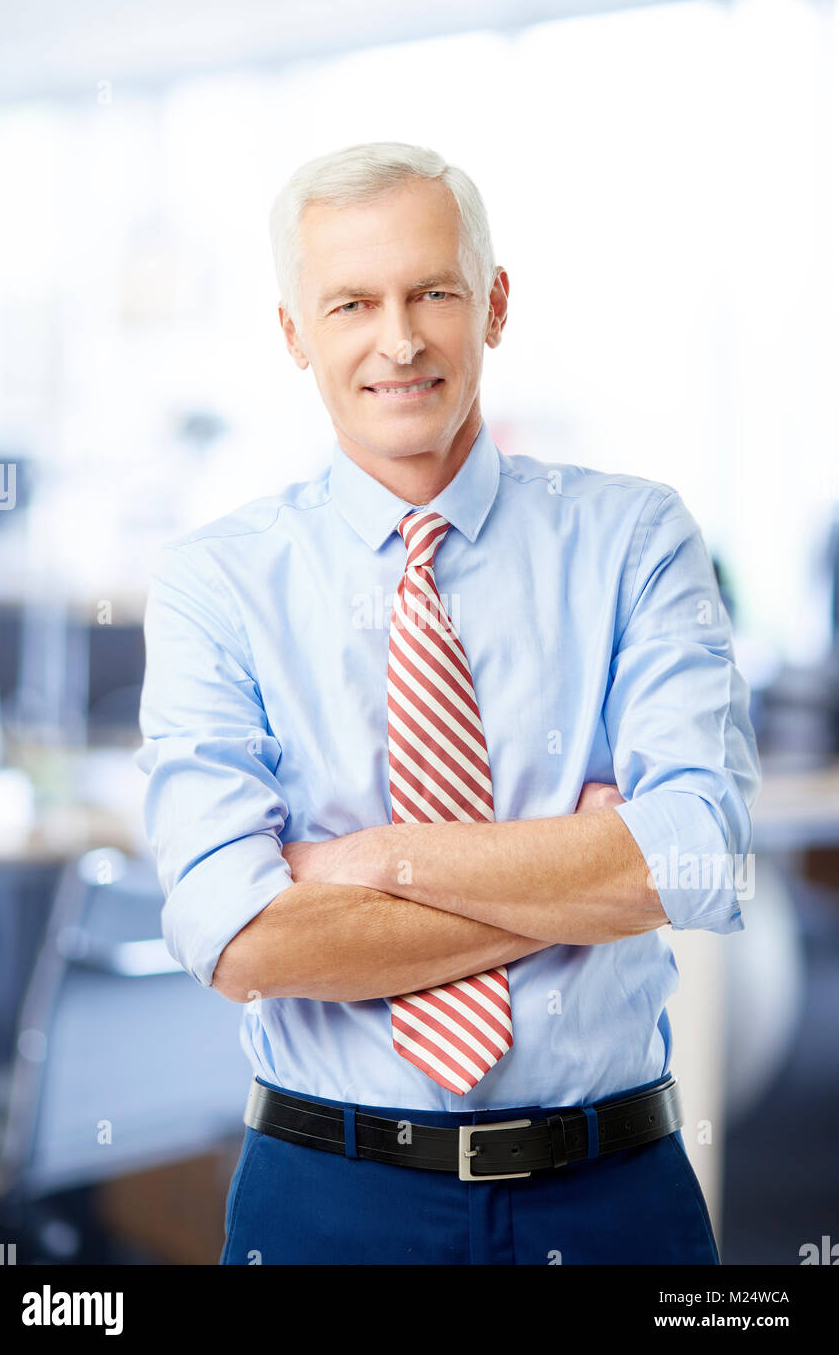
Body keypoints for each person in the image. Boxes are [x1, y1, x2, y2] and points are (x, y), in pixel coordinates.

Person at [135, 140, 761, 1266]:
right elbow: (238, 937)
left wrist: (368, 861)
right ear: (294, 333)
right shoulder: (213, 582)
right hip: (328, 1202)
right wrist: (582, 866)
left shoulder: (633, 538)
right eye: (351, 303)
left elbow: (699, 856)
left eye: (434, 290)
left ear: (496, 304)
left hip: (614, 1197)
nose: (400, 338)